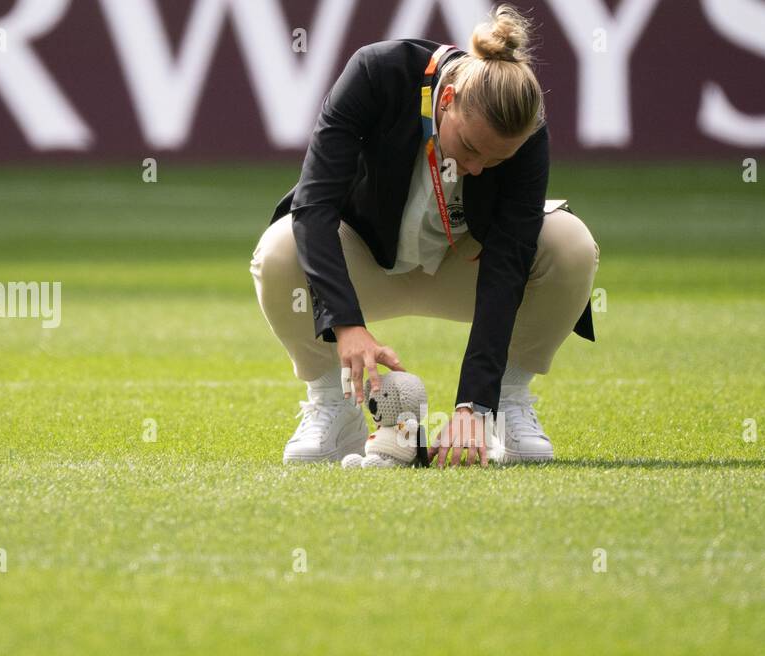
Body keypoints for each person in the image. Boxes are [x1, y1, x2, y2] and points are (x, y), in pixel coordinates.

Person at [249, 3, 599, 467]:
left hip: (465, 270)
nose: (476, 168)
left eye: (495, 162)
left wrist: (475, 404)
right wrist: (347, 326)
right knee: (279, 249)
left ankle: (508, 405)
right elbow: (314, 205)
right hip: (368, 262)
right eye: (471, 148)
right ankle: (332, 405)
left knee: (570, 242)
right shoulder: (377, 73)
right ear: (448, 98)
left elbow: (510, 257)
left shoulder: (526, 131)